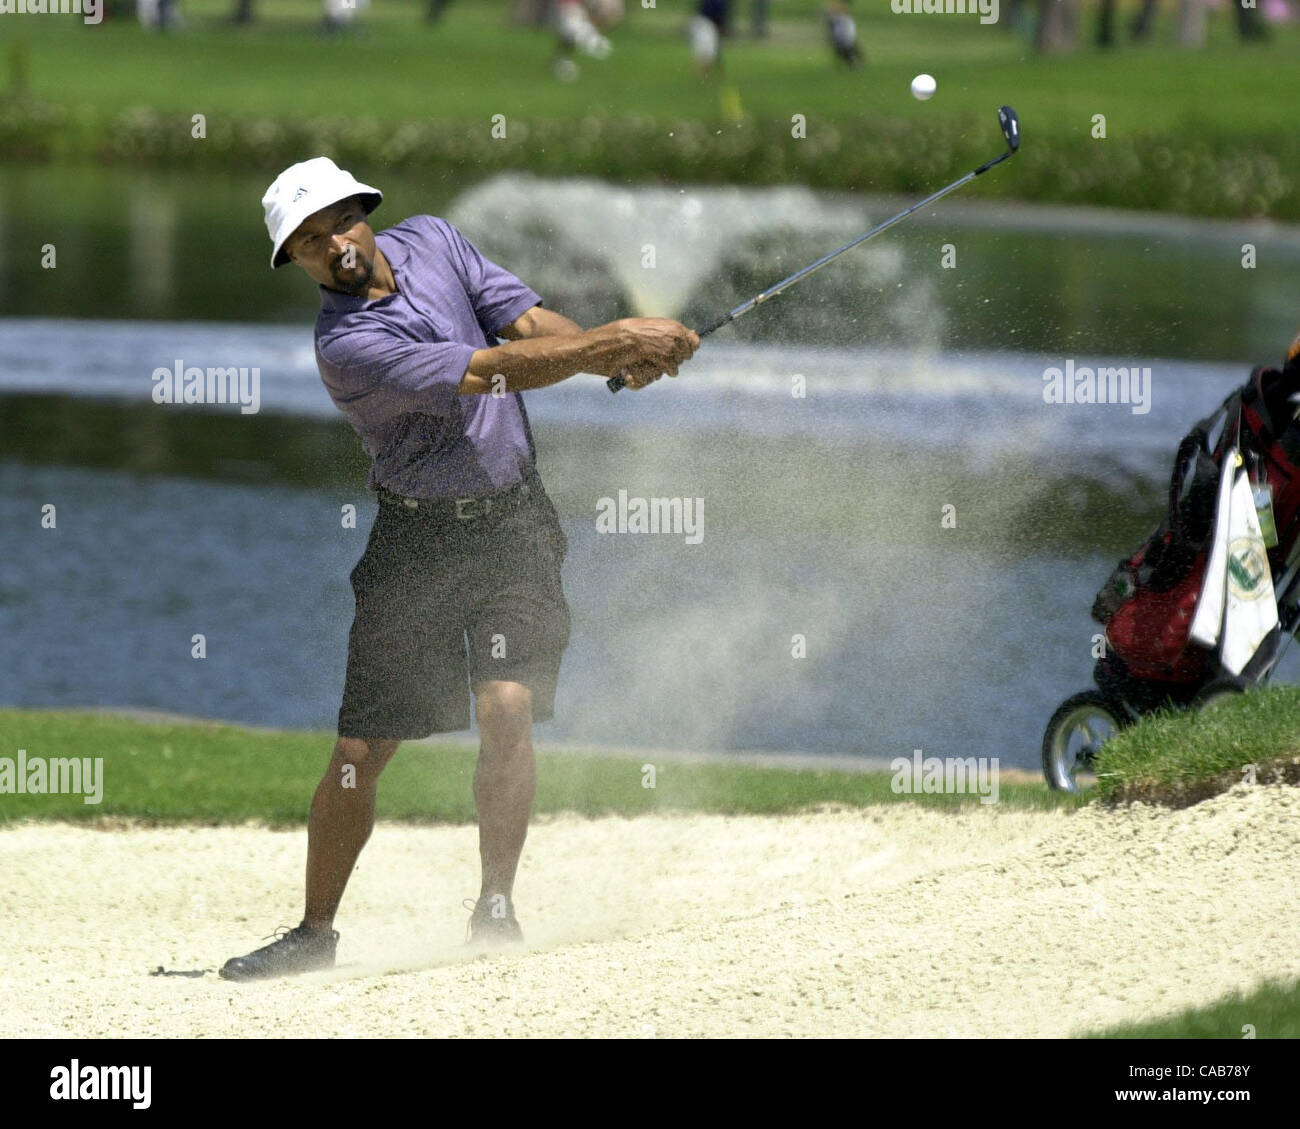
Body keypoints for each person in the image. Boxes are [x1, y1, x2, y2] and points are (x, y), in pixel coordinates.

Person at [219, 157, 698, 980]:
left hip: (514, 521)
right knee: (360, 752)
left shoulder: (436, 241)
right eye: (306, 241)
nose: (330, 244)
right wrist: (615, 342)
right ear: (294, 259)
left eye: (337, 222)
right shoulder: (349, 345)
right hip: (417, 545)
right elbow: (488, 373)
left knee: (506, 705)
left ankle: (495, 909)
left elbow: (526, 326)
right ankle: (314, 931)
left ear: (363, 212)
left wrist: (612, 358)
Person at [826, 2, 863, 67]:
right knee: (847, 50)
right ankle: (853, 63)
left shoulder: (841, 17)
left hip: (843, 37)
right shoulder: (840, 17)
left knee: (848, 50)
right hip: (843, 37)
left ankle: (853, 62)